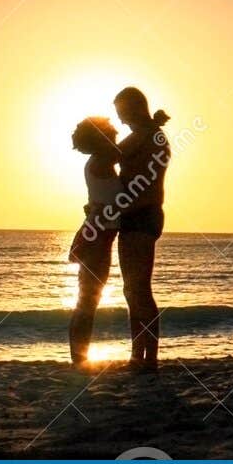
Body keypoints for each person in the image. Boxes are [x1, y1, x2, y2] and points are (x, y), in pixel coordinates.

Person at [114, 86, 171, 373]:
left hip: (143, 215)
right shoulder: (140, 135)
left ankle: (149, 357)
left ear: (133, 109)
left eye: (122, 114)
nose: (121, 121)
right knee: (130, 290)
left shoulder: (153, 137)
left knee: (140, 289)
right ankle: (138, 352)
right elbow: (114, 153)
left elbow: (149, 182)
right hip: (130, 216)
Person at [67, 117, 123, 367]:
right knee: (88, 299)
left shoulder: (100, 161)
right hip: (97, 236)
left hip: (99, 233)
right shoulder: (102, 160)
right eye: (110, 132)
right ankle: (79, 359)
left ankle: (79, 357)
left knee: (88, 297)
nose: (116, 134)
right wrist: (151, 129)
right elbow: (129, 151)